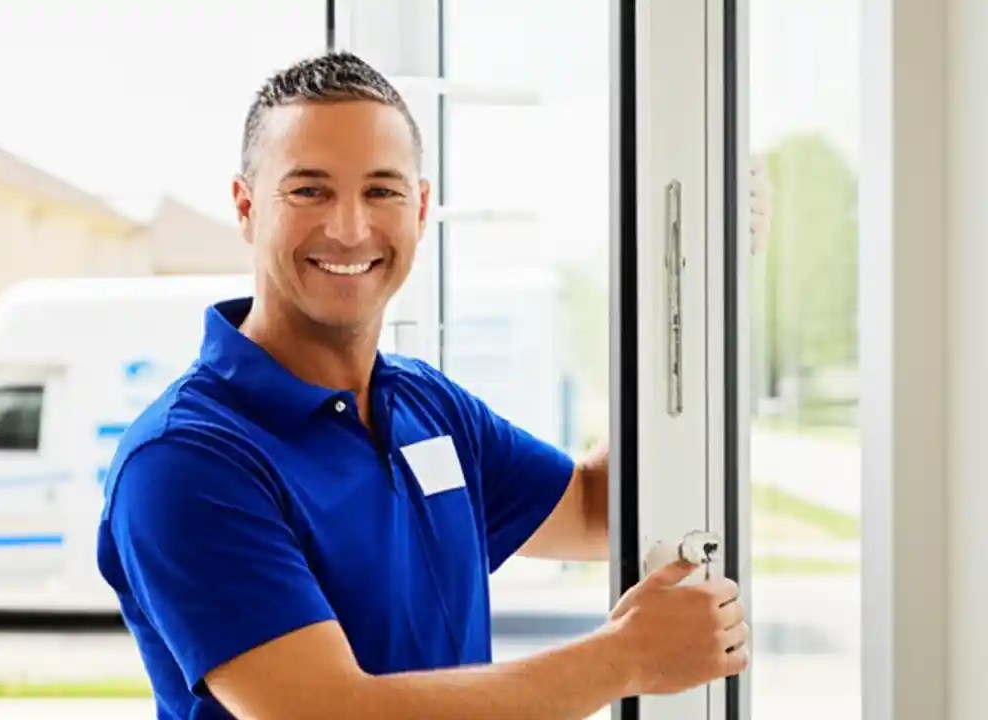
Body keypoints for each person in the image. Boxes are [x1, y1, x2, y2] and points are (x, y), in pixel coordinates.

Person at [96, 51, 752, 720]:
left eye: (382, 190)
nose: (349, 228)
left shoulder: (425, 406)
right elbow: (327, 713)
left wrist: (703, 285)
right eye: (309, 190)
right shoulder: (186, 460)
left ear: (422, 207)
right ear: (245, 207)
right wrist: (623, 659)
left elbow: (592, 507)